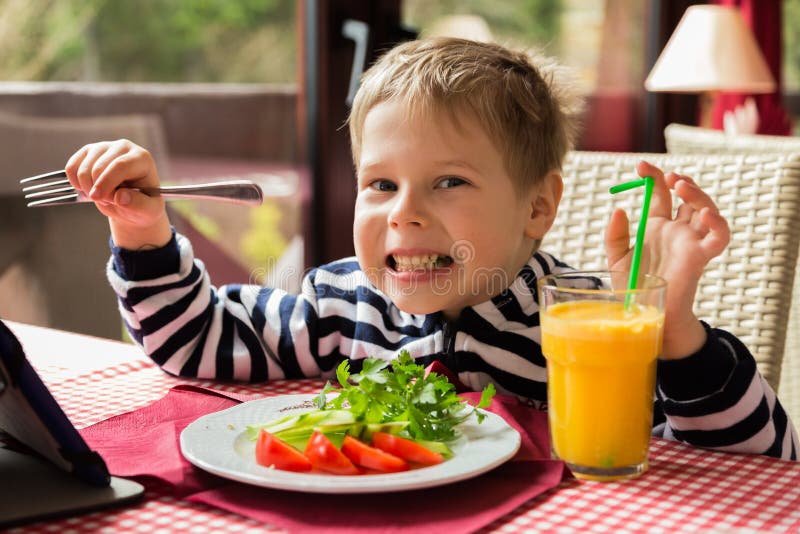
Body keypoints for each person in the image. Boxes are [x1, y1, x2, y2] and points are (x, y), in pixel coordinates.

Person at [65, 37, 797, 460]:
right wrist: (143, 235)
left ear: (538, 206)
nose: (403, 216)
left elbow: (760, 461)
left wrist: (673, 334)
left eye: (448, 182)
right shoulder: (339, 303)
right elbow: (196, 343)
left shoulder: (583, 325)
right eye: (380, 184)